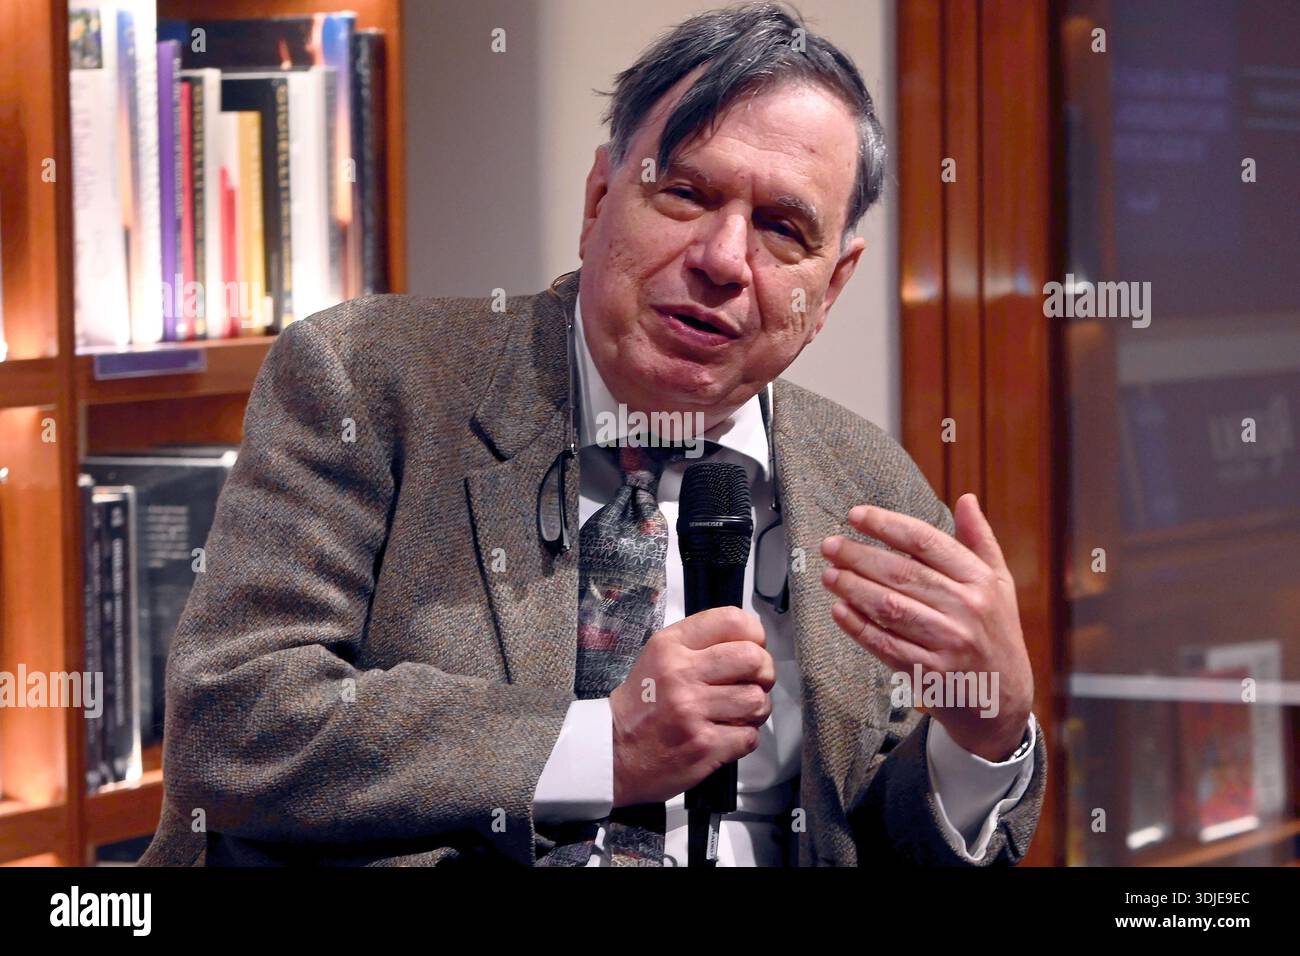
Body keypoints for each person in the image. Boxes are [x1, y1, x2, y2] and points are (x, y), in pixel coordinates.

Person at [139, 2, 1045, 867]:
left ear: (832, 284)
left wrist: (983, 736)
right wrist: (602, 746)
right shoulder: (371, 382)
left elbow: (875, 841)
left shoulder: (870, 489)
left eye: (781, 228)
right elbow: (233, 721)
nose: (723, 261)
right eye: (685, 193)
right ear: (600, 197)